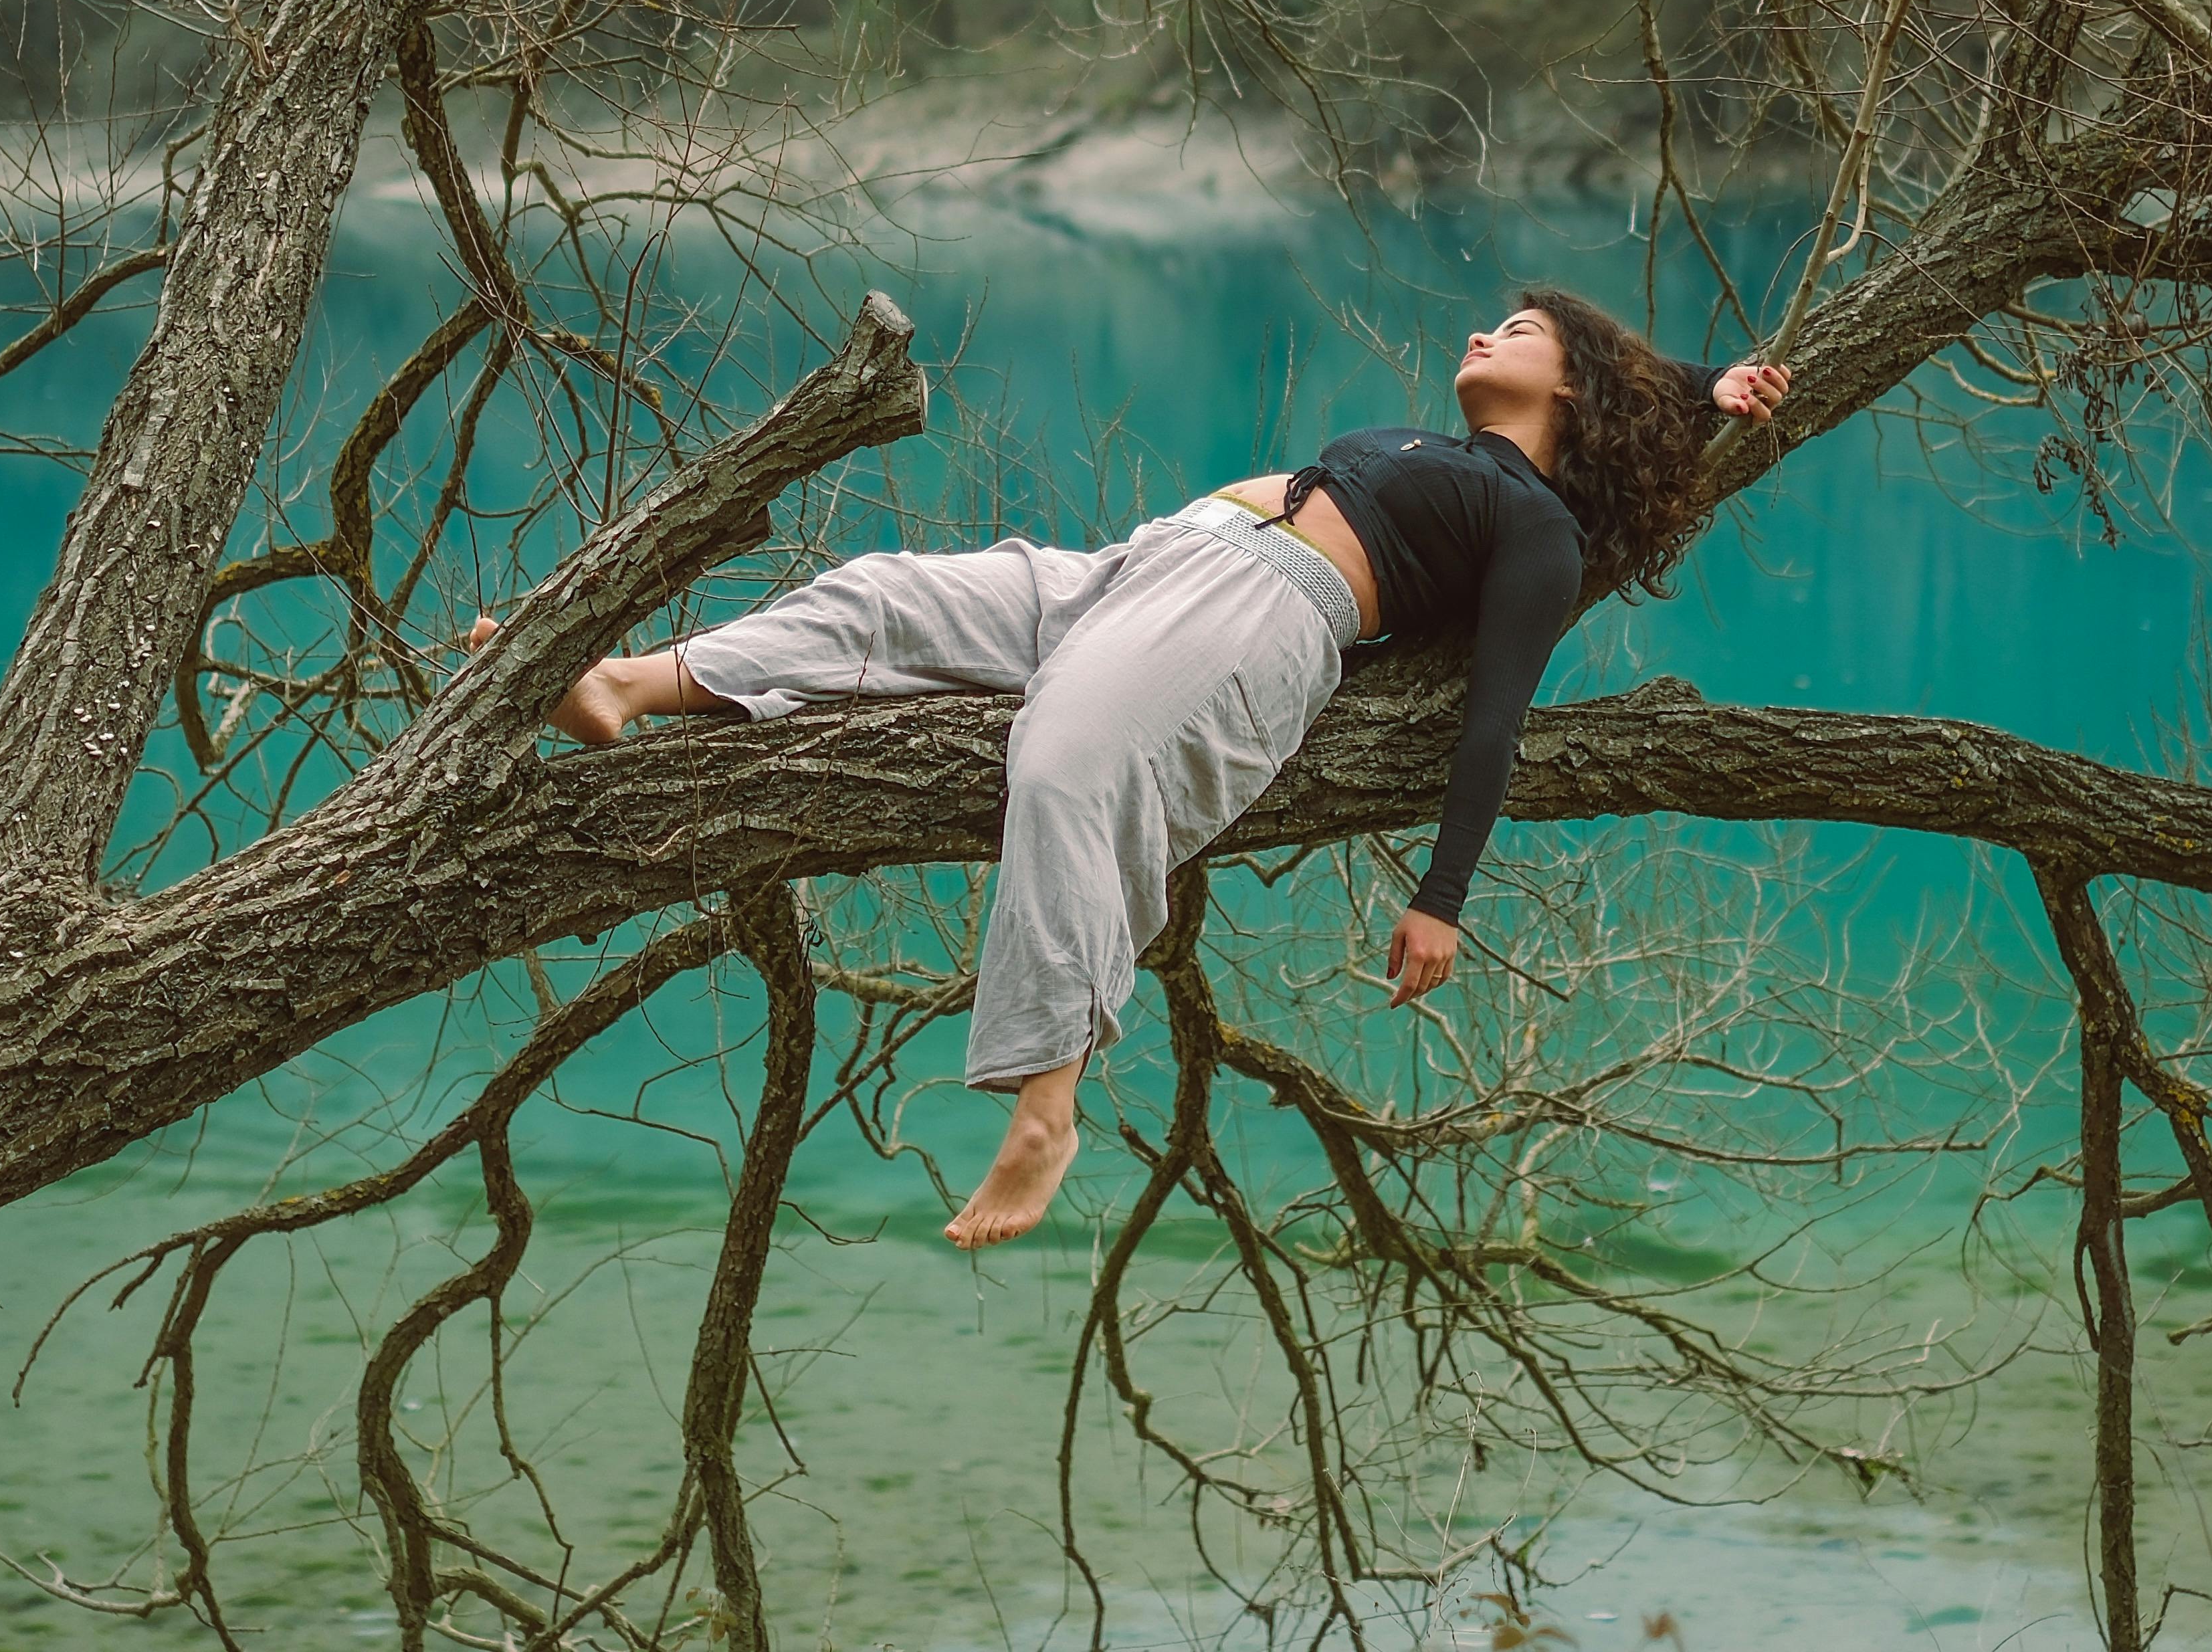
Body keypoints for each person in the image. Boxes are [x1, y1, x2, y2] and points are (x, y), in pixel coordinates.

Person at [530, 290, 1790, 1247]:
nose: (1482, 334)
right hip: (1154, 561)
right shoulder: (1442, 446)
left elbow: (1494, 722)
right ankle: (626, 686)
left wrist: (1442, 895)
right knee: (888, 597)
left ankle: (1046, 1101)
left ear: (1571, 388)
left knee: (1070, 770)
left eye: (1515, 330)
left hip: (1258, 620)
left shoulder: (1539, 530)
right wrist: (1708, 381)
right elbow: (1641, 380)